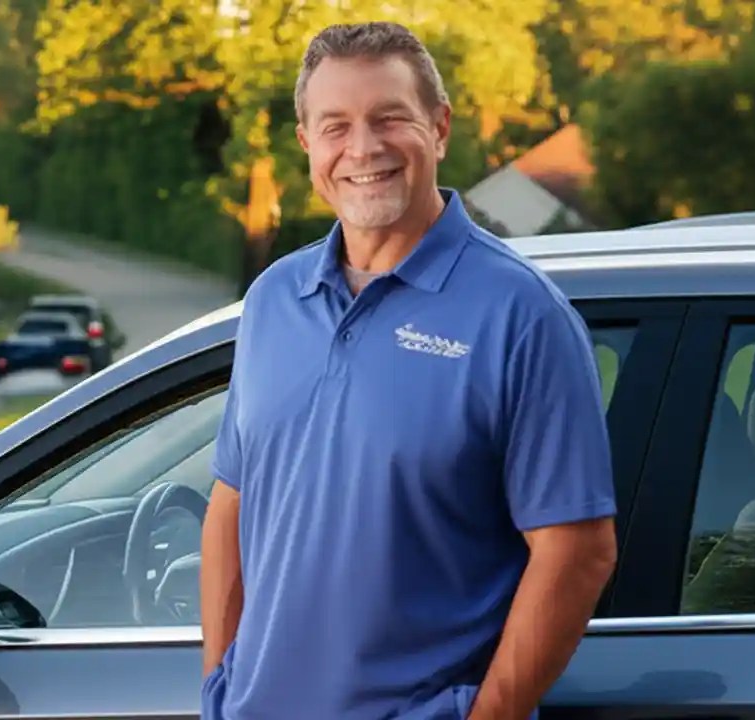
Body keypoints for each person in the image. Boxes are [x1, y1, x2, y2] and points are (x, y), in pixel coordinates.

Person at [199, 21, 619, 720]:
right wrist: (220, 684)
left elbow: (577, 550)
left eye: (389, 118)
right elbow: (232, 505)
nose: (362, 148)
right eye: (335, 126)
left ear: (440, 127)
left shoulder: (521, 315)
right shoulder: (274, 298)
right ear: (306, 144)